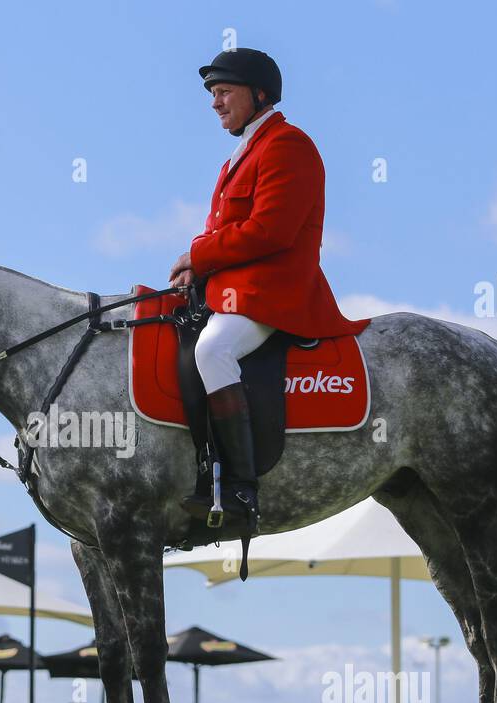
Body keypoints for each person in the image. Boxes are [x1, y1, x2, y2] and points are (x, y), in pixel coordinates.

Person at [170, 49, 370, 533]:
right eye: (212, 94)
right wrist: (198, 270)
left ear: (258, 94)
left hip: (273, 292)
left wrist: (199, 255)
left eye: (223, 92)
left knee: (214, 350)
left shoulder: (288, 145)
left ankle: (240, 488)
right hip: (230, 289)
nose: (215, 103)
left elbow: (271, 231)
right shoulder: (240, 156)